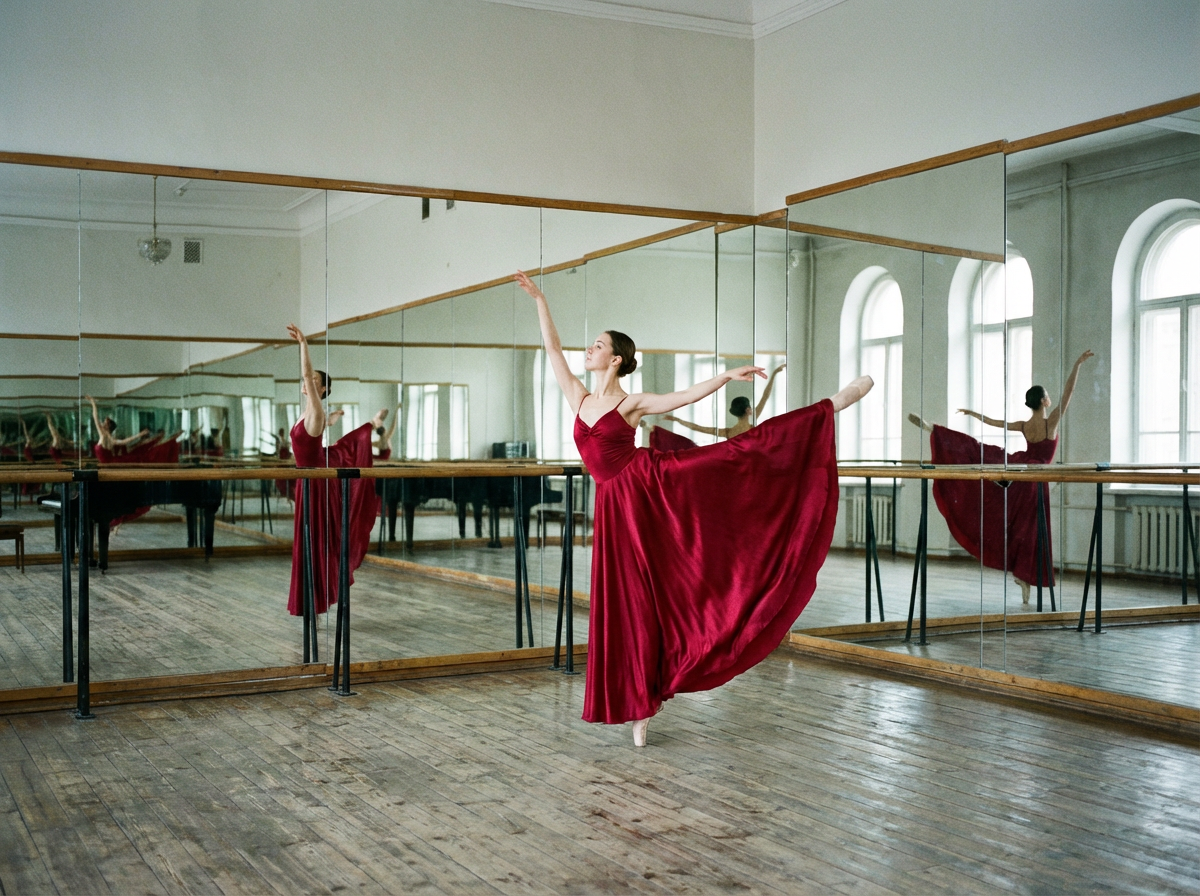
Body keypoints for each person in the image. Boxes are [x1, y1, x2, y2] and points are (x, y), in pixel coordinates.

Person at [515, 271, 872, 747]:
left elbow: (682, 397)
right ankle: (640, 700)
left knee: (732, 457)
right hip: (613, 507)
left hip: (646, 488)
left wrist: (725, 376)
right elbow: (553, 350)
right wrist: (540, 299)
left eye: (598, 344)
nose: (589, 349)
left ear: (615, 359)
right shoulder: (578, 397)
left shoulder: (630, 402)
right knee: (624, 605)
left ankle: (831, 405)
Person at [909, 350, 1094, 603]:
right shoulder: (1051, 423)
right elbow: (1068, 394)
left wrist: (974, 415)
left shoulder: (1025, 425)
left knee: (984, 452)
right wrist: (1077, 364)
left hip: (1021, 475)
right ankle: (1025, 578)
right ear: (1044, 401)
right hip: (1035, 481)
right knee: (1031, 532)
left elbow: (996, 423)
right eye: (1048, 397)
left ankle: (939, 432)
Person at [285, 323, 385, 617]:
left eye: (314, 380)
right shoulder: (310, 414)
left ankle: (315, 596)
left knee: (314, 542)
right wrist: (330, 422)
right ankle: (309, 598)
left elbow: (306, 376)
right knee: (307, 543)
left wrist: (304, 344)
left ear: (323, 388)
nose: (306, 382)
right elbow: (312, 434)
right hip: (305, 482)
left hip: (314, 483)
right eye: (307, 380)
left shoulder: (314, 409)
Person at [659, 362, 786, 445]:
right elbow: (765, 396)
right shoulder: (749, 424)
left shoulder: (728, 432)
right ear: (748, 410)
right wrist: (774, 373)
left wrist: (677, 420)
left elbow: (697, 427)